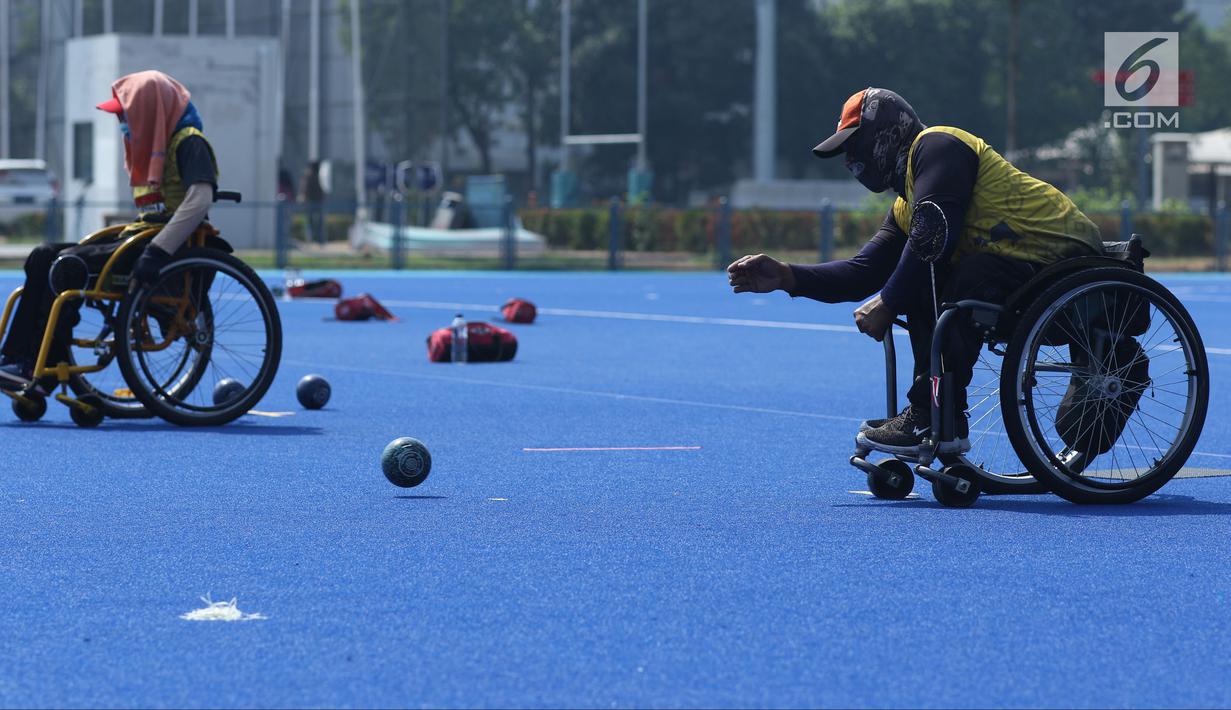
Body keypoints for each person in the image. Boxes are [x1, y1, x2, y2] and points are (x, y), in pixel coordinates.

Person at [727, 87, 1102, 455]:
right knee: (924, 284)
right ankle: (942, 420)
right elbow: (864, 271)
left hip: (1067, 261)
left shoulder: (937, 146)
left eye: (852, 147)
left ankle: (928, 413)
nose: (848, 161)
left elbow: (934, 233)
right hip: (1027, 271)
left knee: (964, 274)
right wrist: (788, 276)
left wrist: (888, 303)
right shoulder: (908, 203)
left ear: (885, 133)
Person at [0, 70, 218, 389]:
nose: (123, 125)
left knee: (67, 266)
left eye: (127, 116)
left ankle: (39, 363)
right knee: (42, 255)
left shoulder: (189, 143)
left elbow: (200, 200)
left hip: (164, 251)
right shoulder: (155, 149)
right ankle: (17, 357)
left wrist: (158, 251)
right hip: (138, 241)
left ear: (150, 111)